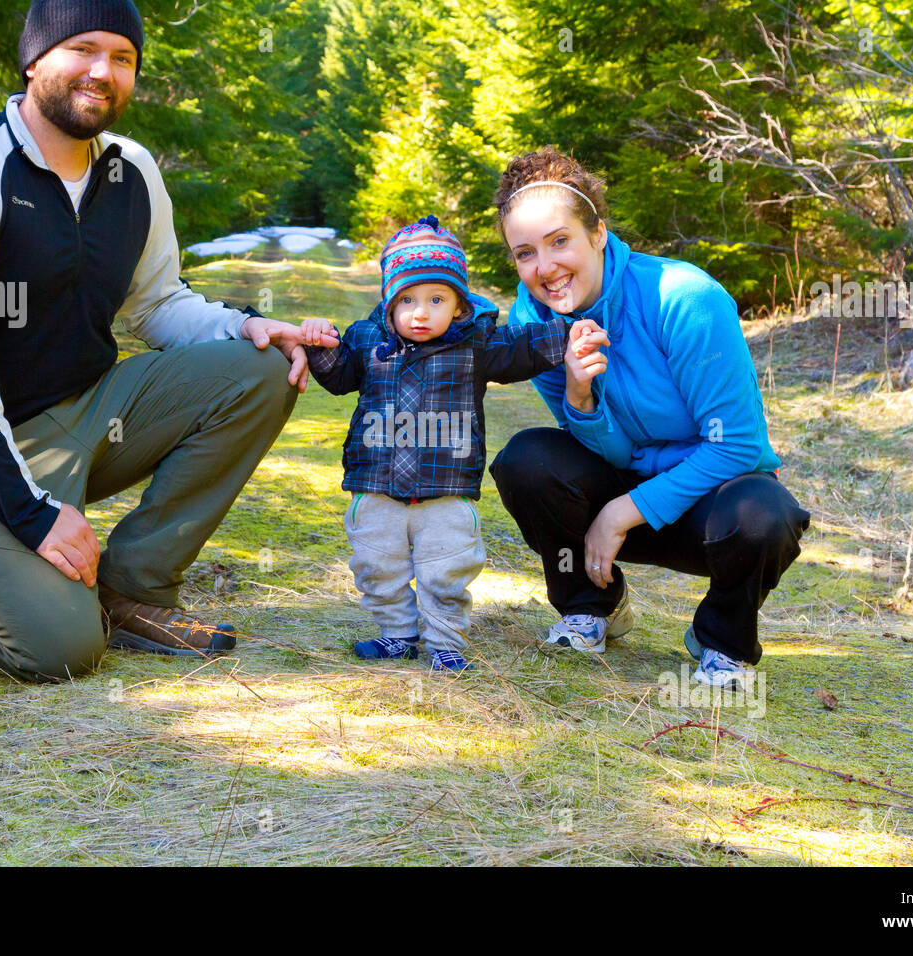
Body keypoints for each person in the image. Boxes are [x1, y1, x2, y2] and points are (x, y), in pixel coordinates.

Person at [0, 0, 319, 682]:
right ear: (34, 60)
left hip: (84, 416)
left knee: (260, 369)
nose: (103, 72)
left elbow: (157, 304)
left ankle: (134, 589)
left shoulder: (132, 171)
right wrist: (32, 518)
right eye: (83, 49)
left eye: (123, 58)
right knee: (60, 649)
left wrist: (243, 325)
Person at [488, 147, 811, 688]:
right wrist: (581, 397)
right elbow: (609, 454)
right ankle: (592, 606)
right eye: (524, 253)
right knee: (526, 460)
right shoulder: (532, 319)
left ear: (598, 233)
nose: (544, 269)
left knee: (766, 514)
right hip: (621, 485)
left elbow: (736, 447)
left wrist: (621, 513)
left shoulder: (684, 298)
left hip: (710, 501)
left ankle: (723, 641)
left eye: (559, 240)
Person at [301, 216, 578, 672]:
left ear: (459, 304)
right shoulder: (367, 339)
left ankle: (445, 641)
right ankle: (397, 635)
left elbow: (525, 346)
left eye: (437, 299)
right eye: (407, 299)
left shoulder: (477, 344)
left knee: (446, 569)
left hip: (446, 487)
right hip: (376, 486)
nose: (421, 312)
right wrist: (318, 344)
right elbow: (337, 376)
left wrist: (572, 332)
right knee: (376, 566)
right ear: (389, 301)